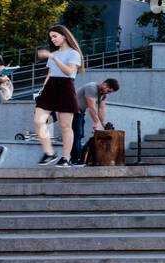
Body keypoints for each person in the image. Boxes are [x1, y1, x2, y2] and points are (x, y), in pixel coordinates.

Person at [33, 24, 82, 167]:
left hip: (66, 87)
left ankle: (66, 158)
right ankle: (49, 153)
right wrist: (42, 90)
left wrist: (54, 58)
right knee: (38, 120)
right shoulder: (53, 54)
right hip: (50, 87)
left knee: (65, 125)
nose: (52, 39)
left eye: (55, 36)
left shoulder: (73, 53)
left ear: (64, 36)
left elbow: (69, 72)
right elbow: (50, 74)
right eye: (50, 37)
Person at [72, 77, 120, 166]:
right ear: (104, 84)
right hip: (71, 111)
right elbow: (91, 107)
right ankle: (74, 159)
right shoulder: (91, 88)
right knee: (77, 134)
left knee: (80, 135)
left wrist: (104, 123)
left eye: (110, 92)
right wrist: (96, 122)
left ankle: (76, 158)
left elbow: (101, 109)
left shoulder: (103, 94)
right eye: (108, 91)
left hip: (80, 112)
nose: (108, 93)